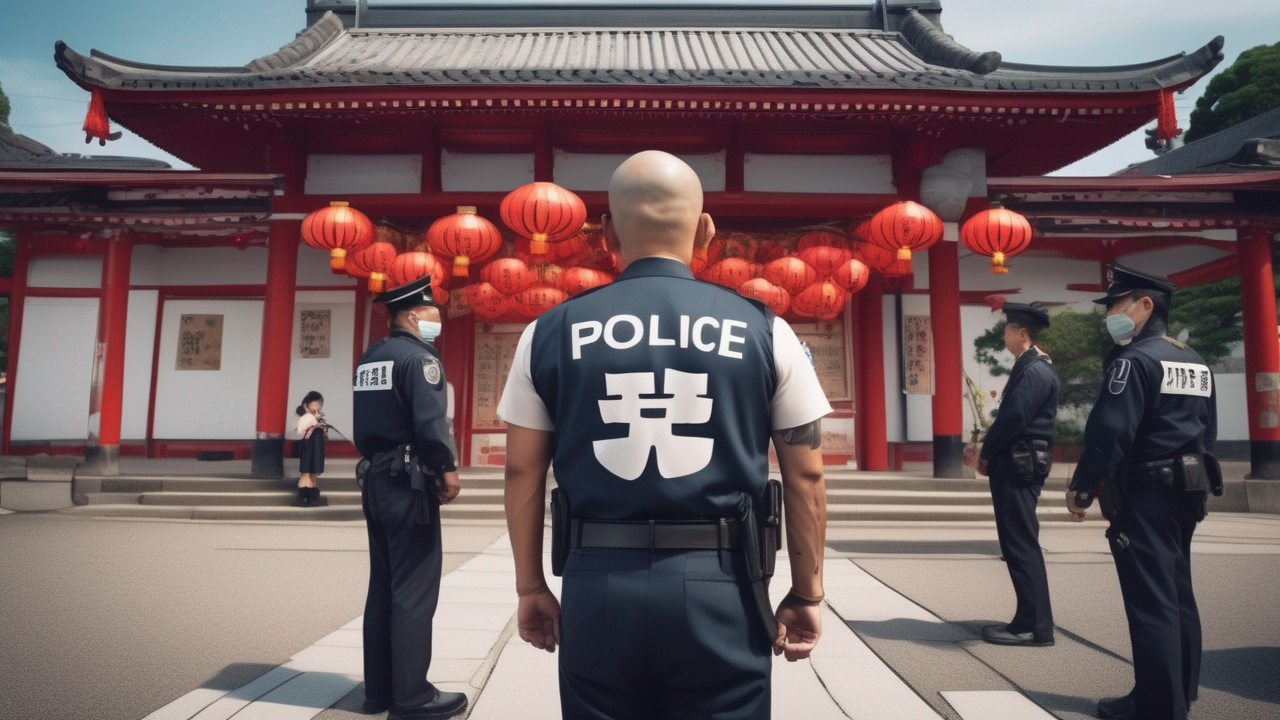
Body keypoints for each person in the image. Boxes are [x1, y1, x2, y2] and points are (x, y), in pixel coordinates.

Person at [497, 150, 832, 720]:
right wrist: (807, 592)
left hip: (596, 582)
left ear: (606, 234)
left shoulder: (546, 332)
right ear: (705, 232)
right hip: (722, 584)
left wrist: (531, 587)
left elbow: (522, 469)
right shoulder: (766, 331)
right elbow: (805, 471)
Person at [1067, 264, 1217, 720]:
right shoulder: (1194, 361)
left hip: (1147, 490)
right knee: (1176, 593)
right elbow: (1207, 431)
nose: (1109, 313)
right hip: (1189, 487)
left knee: (1151, 602)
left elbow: (1110, 430)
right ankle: (1178, 692)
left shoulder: (1133, 361)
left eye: (1115, 303)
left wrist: (1084, 487)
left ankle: (1157, 707)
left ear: (1145, 305)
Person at [352, 275, 464, 720]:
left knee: (383, 586)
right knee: (414, 589)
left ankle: (379, 692)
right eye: (435, 314)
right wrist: (447, 469)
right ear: (415, 315)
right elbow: (430, 422)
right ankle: (413, 697)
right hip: (410, 480)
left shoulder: (371, 358)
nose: (439, 322)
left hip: (376, 479)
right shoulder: (420, 359)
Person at [977, 302, 1058, 647]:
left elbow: (1013, 419)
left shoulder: (1034, 371)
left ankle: (1032, 626)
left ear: (1022, 335)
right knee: (1020, 544)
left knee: (1020, 545)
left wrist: (985, 452)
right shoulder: (1033, 368)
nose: (1004, 333)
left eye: (1008, 328)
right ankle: (1032, 620)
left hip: (1018, 464)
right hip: (1020, 462)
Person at [293, 391, 327, 507]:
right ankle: (303, 498)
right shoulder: (306, 418)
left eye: (319, 406)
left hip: (317, 445)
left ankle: (311, 497)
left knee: (313, 472)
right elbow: (300, 432)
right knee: (306, 472)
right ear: (307, 406)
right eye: (314, 408)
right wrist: (315, 421)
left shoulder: (316, 417)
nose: (317, 410)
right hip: (309, 445)